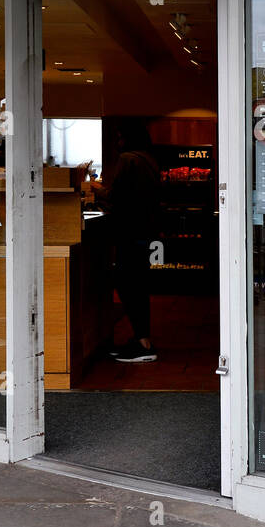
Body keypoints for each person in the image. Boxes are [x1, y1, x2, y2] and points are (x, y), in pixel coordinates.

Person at [104, 119, 162, 363]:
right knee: (138, 285)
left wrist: (97, 191)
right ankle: (142, 339)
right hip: (146, 232)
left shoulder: (128, 159)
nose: (117, 142)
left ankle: (142, 344)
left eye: (119, 137)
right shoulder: (149, 160)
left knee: (127, 284)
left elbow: (116, 196)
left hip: (130, 232)